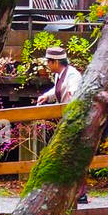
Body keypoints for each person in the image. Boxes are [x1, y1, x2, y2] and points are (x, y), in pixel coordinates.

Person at [35, 45, 88, 202]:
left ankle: (80, 193)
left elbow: (73, 90)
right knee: (66, 156)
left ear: (55, 62)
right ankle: (70, 191)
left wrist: (73, 96)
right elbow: (57, 90)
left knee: (73, 156)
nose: (48, 66)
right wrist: (46, 96)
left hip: (74, 120)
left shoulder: (72, 75)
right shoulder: (59, 75)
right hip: (65, 120)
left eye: (49, 62)